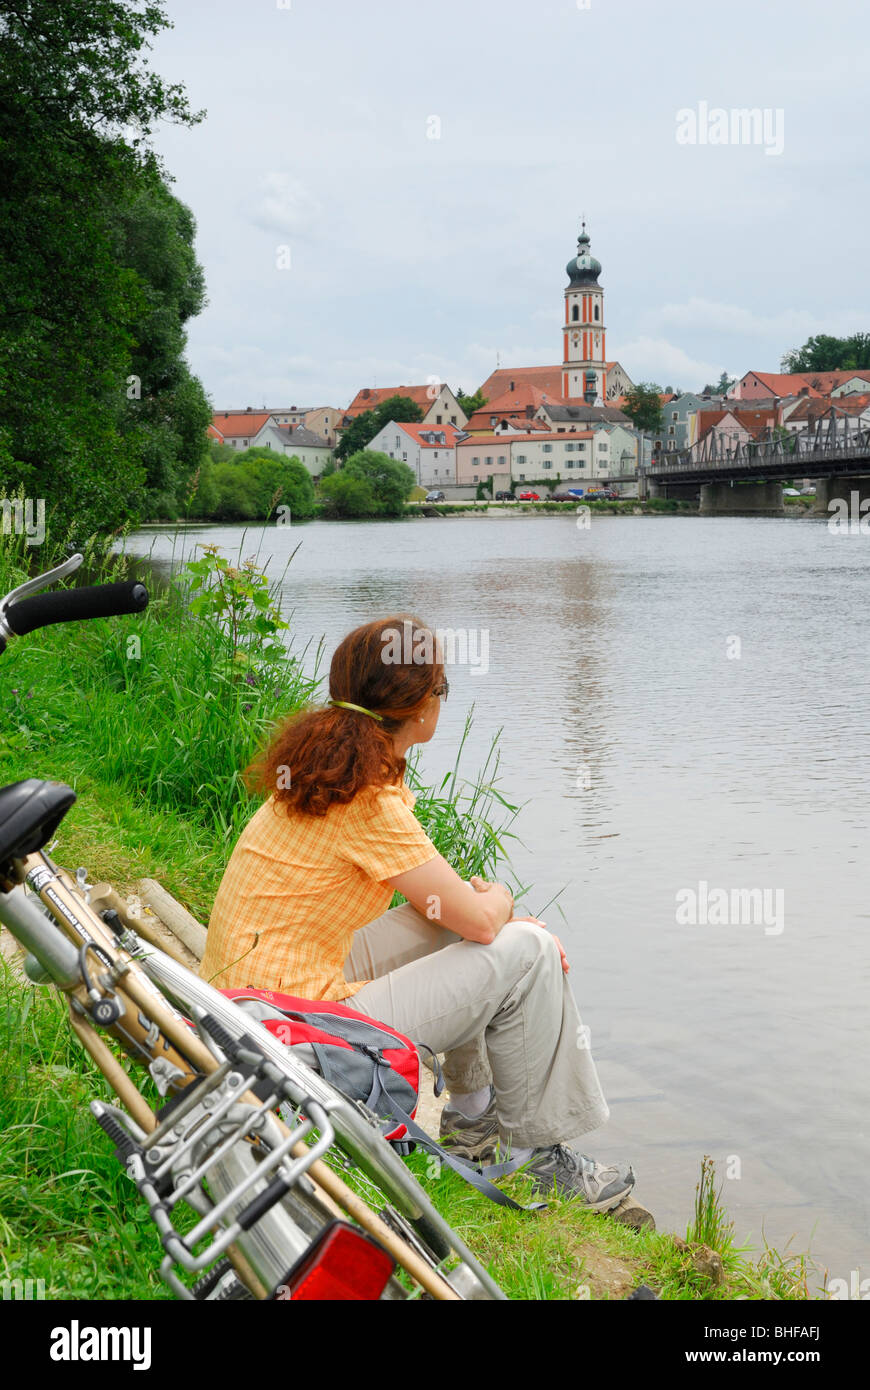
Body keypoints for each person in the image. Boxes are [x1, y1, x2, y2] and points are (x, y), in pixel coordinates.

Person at [200, 614, 634, 1209]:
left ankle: (474, 1118)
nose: (443, 702)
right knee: (522, 949)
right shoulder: (367, 796)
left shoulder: (327, 765)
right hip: (293, 1031)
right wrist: (505, 911)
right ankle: (539, 1160)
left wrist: (486, 917)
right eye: (442, 690)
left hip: (252, 996)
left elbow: (444, 909)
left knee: (449, 922)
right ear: (420, 705)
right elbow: (480, 922)